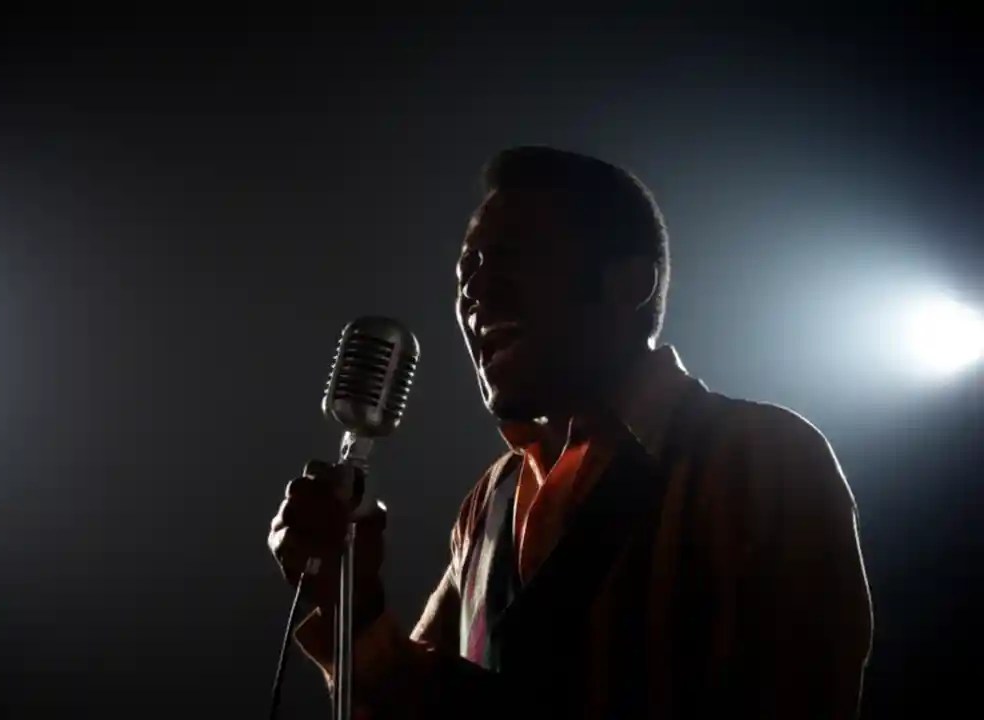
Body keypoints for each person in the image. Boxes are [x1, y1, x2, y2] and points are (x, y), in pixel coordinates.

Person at [268, 147, 873, 718]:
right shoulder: (490, 500)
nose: (475, 290)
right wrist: (349, 600)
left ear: (630, 284)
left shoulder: (763, 460)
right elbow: (410, 699)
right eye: (468, 270)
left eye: (515, 256)